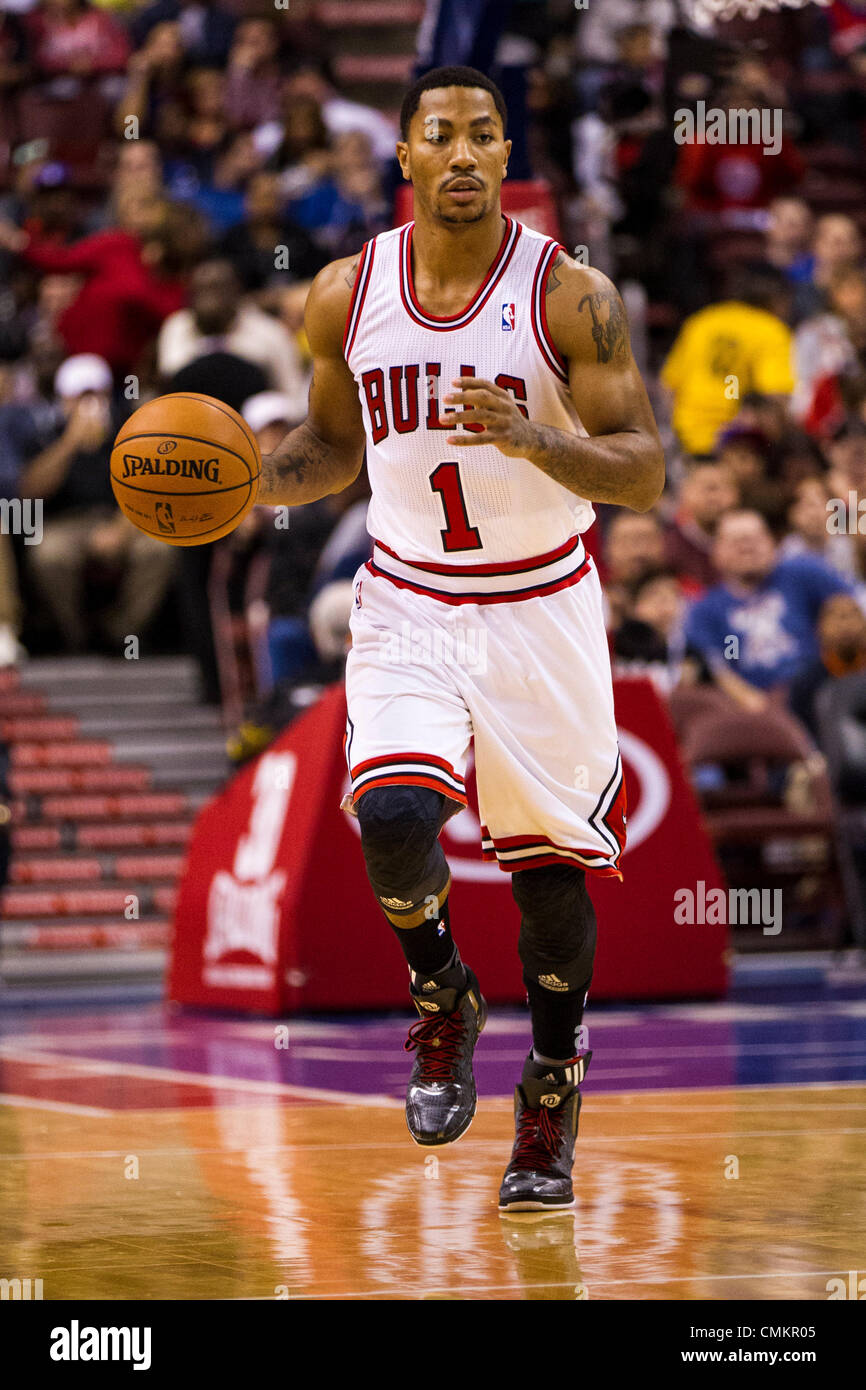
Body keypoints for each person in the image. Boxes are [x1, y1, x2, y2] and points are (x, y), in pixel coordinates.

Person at [244, 67, 664, 1210]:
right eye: (444, 135)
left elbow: (642, 466)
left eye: (486, 134)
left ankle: (550, 1081)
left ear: (504, 151)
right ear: (408, 159)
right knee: (388, 816)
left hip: (541, 603)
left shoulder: (571, 296)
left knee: (547, 886)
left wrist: (544, 443)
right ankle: (442, 997)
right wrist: (250, 478)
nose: (467, 152)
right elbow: (332, 448)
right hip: (409, 597)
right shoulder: (342, 293)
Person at [20, 353, 177, 651]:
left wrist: (121, 529)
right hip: (66, 522)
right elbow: (29, 492)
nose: (90, 405)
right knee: (49, 555)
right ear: (64, 400)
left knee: (159, 549)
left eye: (97, 395)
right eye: (81, 397)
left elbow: (150, 489)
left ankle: (120, 633)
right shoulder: (43, 435)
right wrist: (70, 442)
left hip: (124, 518)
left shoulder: (130, 433)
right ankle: (76, 637)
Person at [683, 509, 853, 711]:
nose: (747, 547)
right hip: (758, 703)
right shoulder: (709, 609)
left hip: (822, 686)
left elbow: (853, 604)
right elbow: (722, 666)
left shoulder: (802, 573)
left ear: (772, 543)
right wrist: (753, 702)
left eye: (755, 539)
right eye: (736, 542)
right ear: (717, 552)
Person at [156, 257, 307, 410]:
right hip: (188, 420)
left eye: (217, 288)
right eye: (202, 289)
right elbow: (168, 382)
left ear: (237, 290)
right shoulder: (177, 327)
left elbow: (292, 397)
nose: (210, 298)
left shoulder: (269, 332)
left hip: (252, 427)